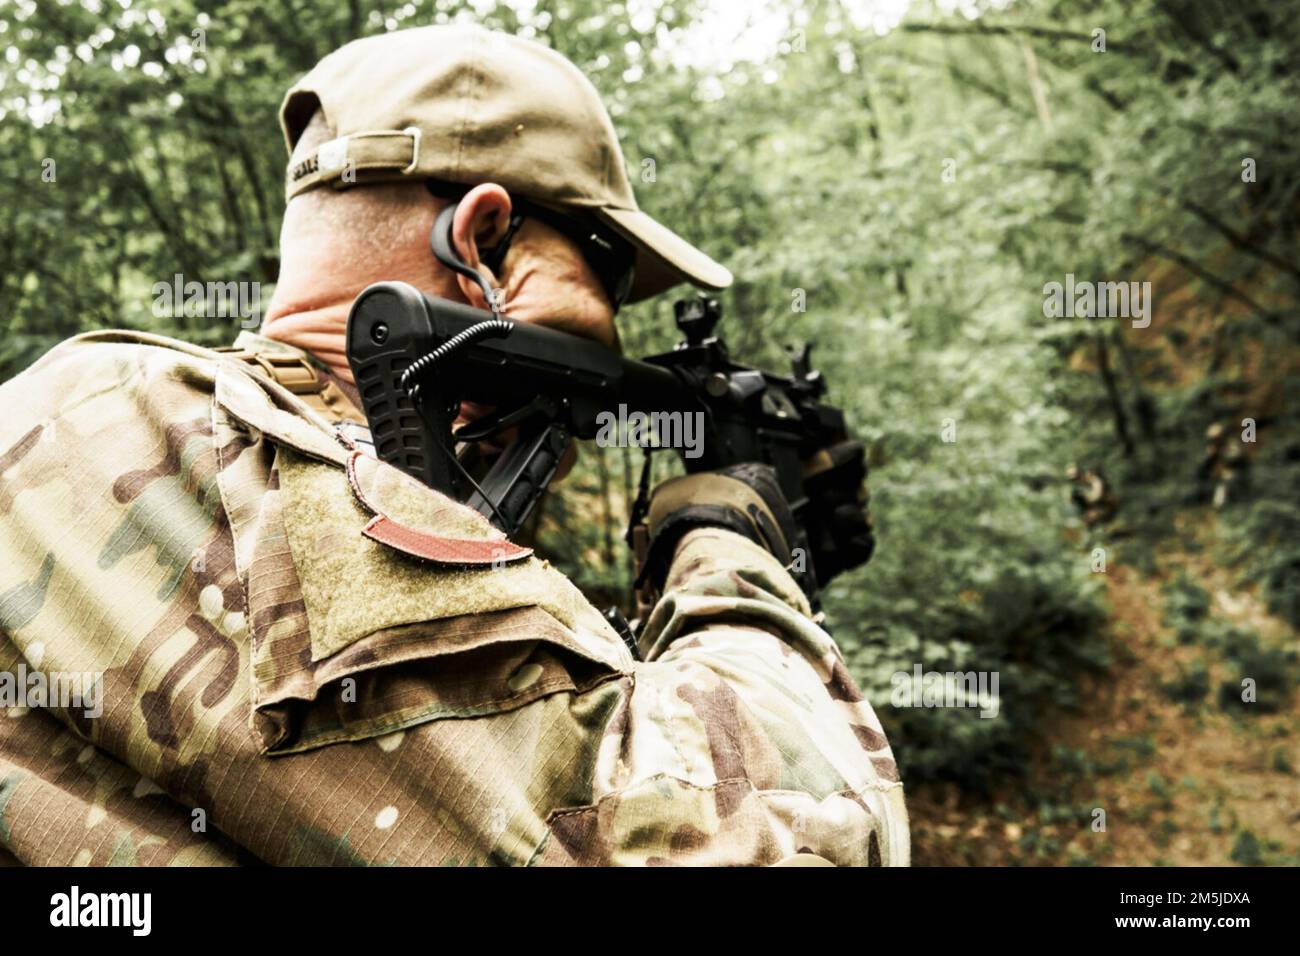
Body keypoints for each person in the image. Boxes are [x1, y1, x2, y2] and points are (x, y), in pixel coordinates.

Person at [0, 25, 907, 866]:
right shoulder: (139, 432)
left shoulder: (139, 429)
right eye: (608, 274)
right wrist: (729, 554)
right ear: (484, 240)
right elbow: (789, 836)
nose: (613, 346)